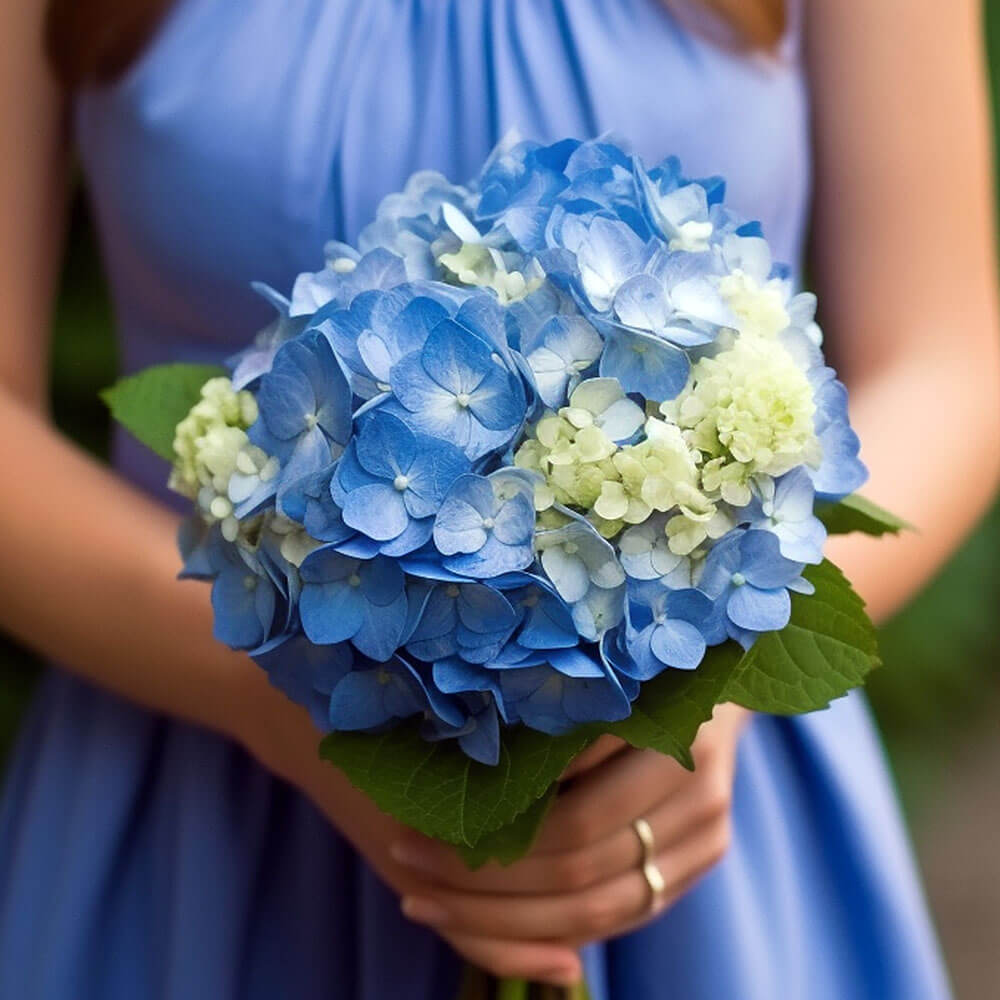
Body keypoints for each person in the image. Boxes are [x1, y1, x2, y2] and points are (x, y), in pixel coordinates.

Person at [1, 0, 997, 997]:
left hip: (680, 775)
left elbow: (947, 359)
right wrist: (273, 700)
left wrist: (714, 665)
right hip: (197, 778)